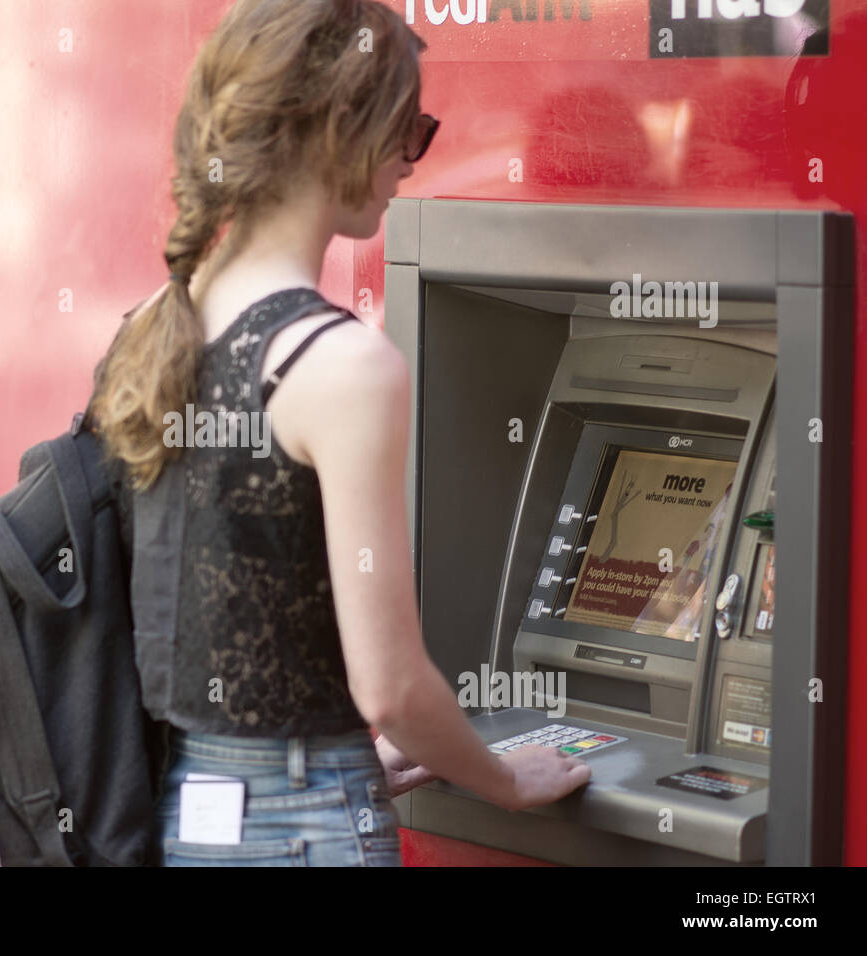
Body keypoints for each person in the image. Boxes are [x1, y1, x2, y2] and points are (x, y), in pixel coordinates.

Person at [89, 0, 589, 868]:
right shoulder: (344, 365)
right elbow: (389, 687)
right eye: (409, 127)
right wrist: (506, 780)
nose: (409, 159)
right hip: (301, 829)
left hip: (185, 813)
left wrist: (347, 749)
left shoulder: (152, 330)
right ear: (338, 131)